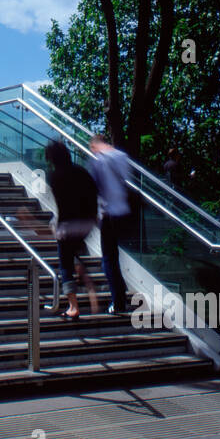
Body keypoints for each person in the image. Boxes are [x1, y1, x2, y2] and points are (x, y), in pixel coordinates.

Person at [45, 141, 100, 320]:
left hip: (67, 226)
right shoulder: (82, 172)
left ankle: (73, 307)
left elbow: (62, 205)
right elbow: (93, 193)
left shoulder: (54, 176)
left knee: (65, 265)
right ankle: (84, 273)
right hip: (87, 224)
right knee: (73, 253)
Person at [88, 134, 133, 314]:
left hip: (108, 214)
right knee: (113, 257)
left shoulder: (99, 160)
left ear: (94, 145)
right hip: (124, 212)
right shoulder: (122, 156)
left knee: (108, 258)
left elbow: (95, 188)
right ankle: (120, 291)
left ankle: (118, 300)